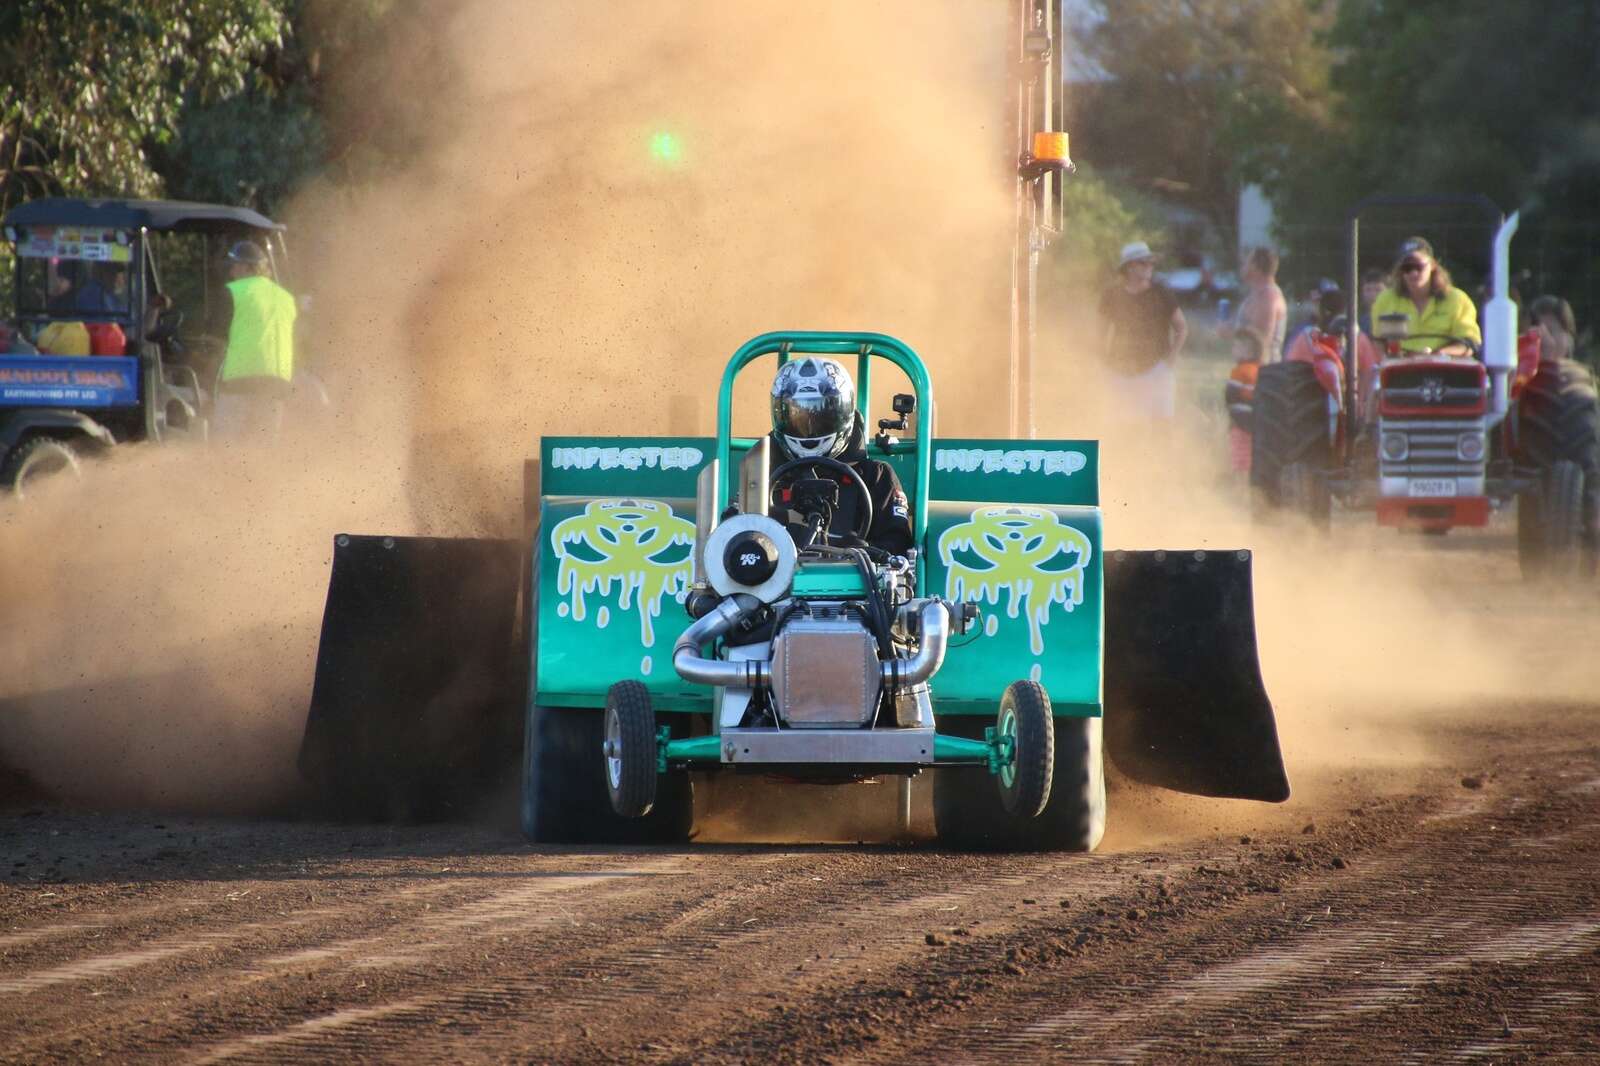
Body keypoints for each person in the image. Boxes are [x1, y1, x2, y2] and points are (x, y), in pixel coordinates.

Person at [767, 356, 913, 555]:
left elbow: (898, 542)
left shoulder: (874, 476)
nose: (810, 430)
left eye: (820, 418)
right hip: (778, 579)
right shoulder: (764, 472)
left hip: (856, 581)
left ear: (843, 415)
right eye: (799, 419)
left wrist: (864, 552)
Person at [214, 240, 297, 439]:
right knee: (264, 449)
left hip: (241, 380)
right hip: (277, 382)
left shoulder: (234, 292)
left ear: (246, 267)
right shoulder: (287, 298)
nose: (232, 272)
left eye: (234, 266)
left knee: (226, 447)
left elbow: (215, 333)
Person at [1098, 241, 1187, 420]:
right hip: (1120, 371)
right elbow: (1100, 332)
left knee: (1159, 427)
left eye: (1151, 263)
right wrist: (1104, 363)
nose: (1150, 267)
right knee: (1123, 425)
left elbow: (1182, 328)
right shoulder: (1112, 295)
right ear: (1130, 267)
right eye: (1144, 263)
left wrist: (1169, 361)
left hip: (1155, 370)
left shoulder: (1161, 293)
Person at [1370, 237, 1480, 356]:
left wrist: (1438, 354)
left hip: (1447, 368)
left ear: (1432, 265)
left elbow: (1468, 344)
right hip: (1400, 369)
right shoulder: (1385, 300)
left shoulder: (1458, 299)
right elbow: (1378, 342)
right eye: (1407, 268)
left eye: (1418, 266)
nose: (1413, 273)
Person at [1286, 288, 1380, 423]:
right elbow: (1293, 372)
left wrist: (1361, 406)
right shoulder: (1307, 338)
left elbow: (1370, 374)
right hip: (1313, 409)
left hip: (1355, 411)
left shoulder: (1358, 338)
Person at [1222, 246, 1288, 357]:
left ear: (1255, 267)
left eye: (1246, 262)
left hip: (1265, 371)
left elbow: (1261, 339)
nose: (1242, 266)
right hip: (1251, 369)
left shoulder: (1268, 297)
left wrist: (1229, 332)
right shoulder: (1258, 295)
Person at [1224, 326, 1266, 474]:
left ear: (1248, 351)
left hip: (1239, 422)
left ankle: (1239, 481)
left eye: (1236, 346)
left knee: (1239, 456)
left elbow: (1230, 395)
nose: (1233, 350)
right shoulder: (1262, 370)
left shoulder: (1239, 371)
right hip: (1257, 422)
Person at [1529, 295, 1579, 365]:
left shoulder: (1579, 375)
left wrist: (1547, 362)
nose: (1543, 339)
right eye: (1537, 332)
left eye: (1550, 331)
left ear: (1569, 339)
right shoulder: (1519, 372)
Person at [1358, 268, 1387, 337]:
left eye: (1378, 290)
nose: (1373, 294)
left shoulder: (1394, 319)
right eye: (1368, 290)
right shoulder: (1359, 322)